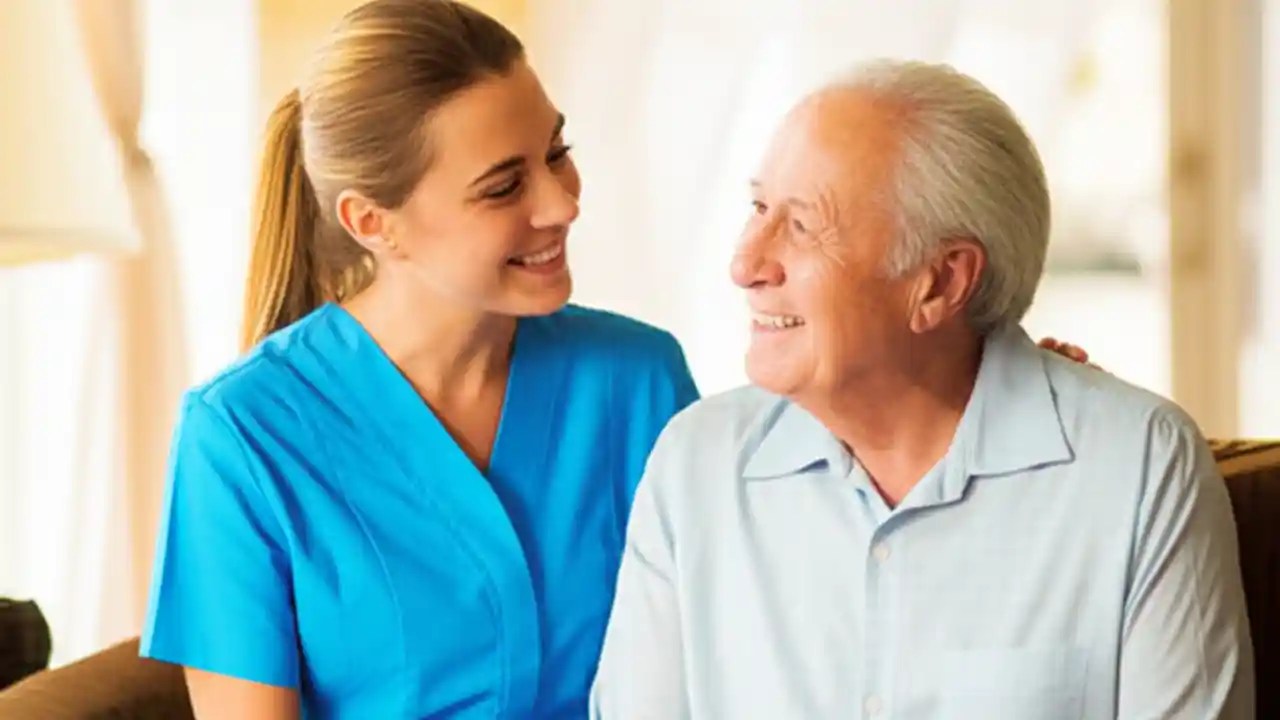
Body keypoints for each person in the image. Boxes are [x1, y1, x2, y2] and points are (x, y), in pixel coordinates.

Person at [140, 2, 1090, 717]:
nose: (560, 203)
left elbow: (817, 543)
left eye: (557, 153)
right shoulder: (243, 439)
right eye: (503, 185)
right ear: (372, 223)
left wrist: (974, 394)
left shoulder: (635, 379)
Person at [590, 60, 1254, 719]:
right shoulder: (696, 465)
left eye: (800, 225)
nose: (745, 263)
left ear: (940, 282)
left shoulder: (1135, 467)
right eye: (759, 207)